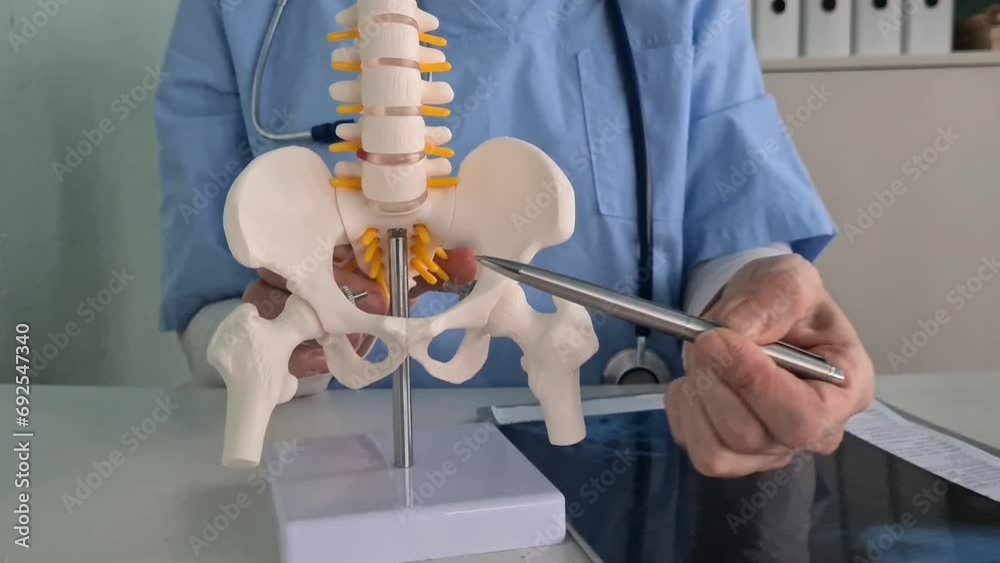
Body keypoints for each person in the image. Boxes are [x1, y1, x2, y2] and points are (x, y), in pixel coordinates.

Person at [155, 0, 874, 478]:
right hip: (328, 471)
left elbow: (734, 219)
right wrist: (302, 347)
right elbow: (214, 308)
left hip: (631, 478)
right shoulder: (242, 12)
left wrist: (756, 302)